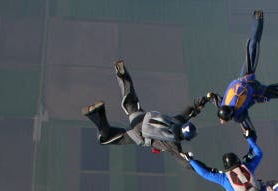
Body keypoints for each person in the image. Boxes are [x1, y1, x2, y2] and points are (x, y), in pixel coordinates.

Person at [82, 59, 215, 166]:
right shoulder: (174, 145)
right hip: (138, 134)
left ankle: (122, 75)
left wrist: (205, 99)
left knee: (130, 101)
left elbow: (191, 109)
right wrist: (205, 168)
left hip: (142, 117)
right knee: (106, 139)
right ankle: (99, 113)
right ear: (186, 138)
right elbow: (186, 163)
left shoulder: (179, 121)